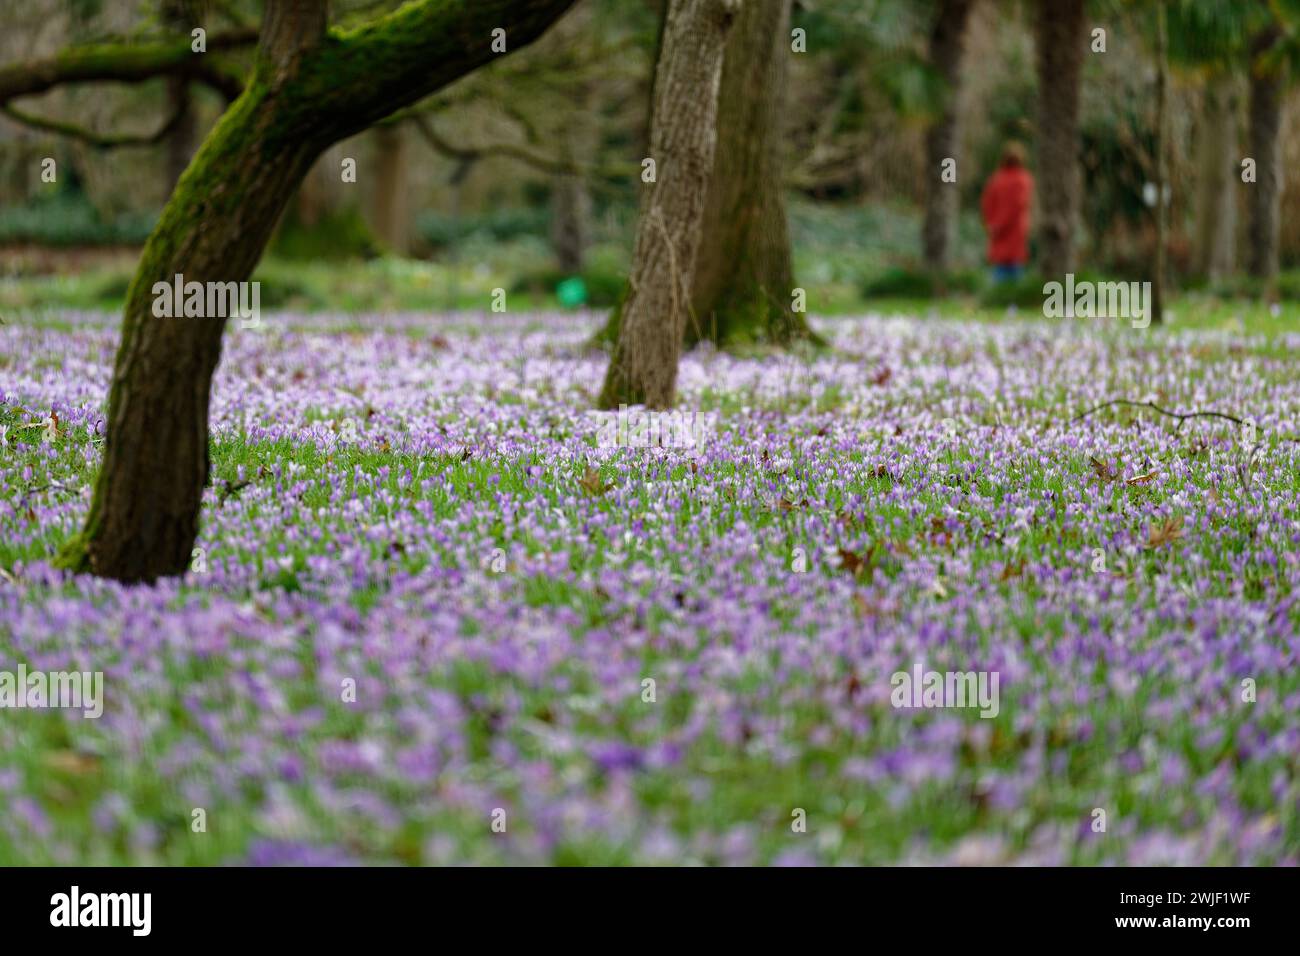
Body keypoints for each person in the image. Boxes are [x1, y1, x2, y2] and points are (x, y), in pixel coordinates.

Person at [980, 142, 1033, 282]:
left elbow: (986, 204)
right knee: (1016, 270)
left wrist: (992, 225)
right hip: (1016, 232)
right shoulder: (1024, 180)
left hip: (998, 232)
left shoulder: (996, 179)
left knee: (1000, 269)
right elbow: (1019, 205)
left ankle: (998, 298)